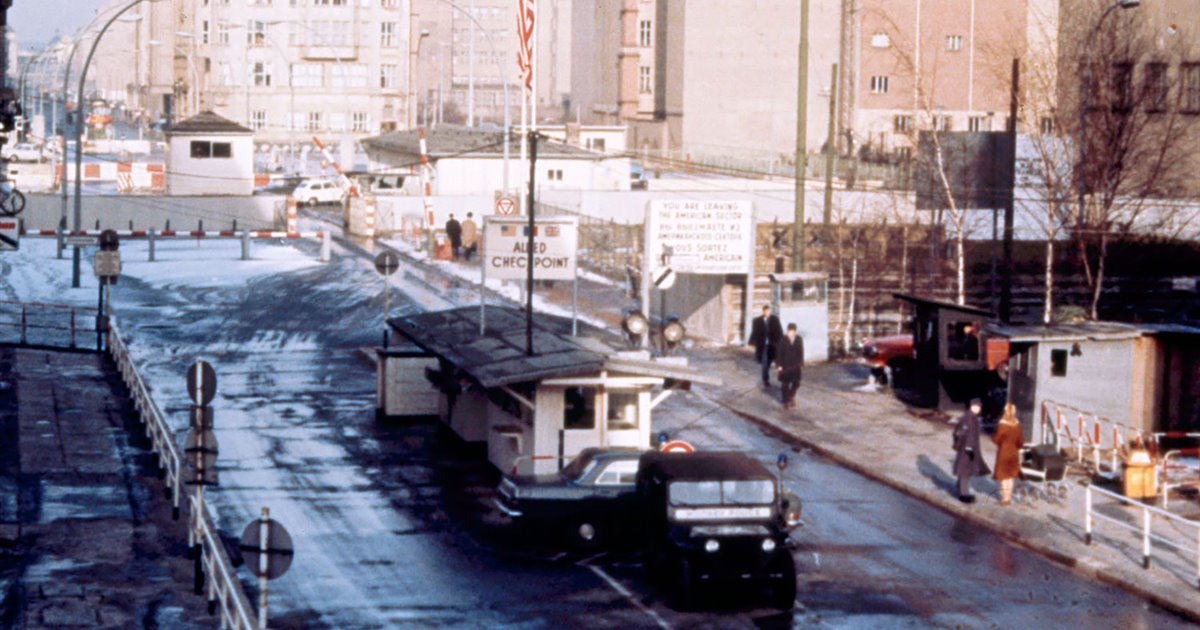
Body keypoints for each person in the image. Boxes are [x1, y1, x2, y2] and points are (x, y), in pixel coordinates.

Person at [952, 398, 989, 503]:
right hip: (968, 450)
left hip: (969, 449)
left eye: (979, 407)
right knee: (965, 471)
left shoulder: (972, 417)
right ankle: (964, 494)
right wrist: (968, 448)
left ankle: (960, 489)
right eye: (977, 406)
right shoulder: (968, 418)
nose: (979, 408)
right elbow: (964, 433)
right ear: (973, 406)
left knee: (965, 470)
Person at [992, 403, 1023, 505]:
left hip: (1004, 452)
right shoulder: (1017, 424)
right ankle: (1008, 497)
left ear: (1005, 411)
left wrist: (1000, 443)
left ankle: (1004, 499)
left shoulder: (1002, 424)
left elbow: (996, 439)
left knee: (1003, 476)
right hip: (1014, 453)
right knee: (1010, 476)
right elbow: (1020, 441)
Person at [748, 305, 783, 387]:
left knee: (770, 361)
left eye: (769, 311)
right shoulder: (757, 321)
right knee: (764, 363)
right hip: (762, 345)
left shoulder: (775, 320)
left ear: (770, 311)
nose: (767, 313)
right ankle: (766, 379)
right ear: (763, 312)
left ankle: (777, 376)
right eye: (766, 311)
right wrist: (751, 343)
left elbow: (779, 331)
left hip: (772, 345)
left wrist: (782, 342)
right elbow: (754, 332)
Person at [775, 324, 805, 409]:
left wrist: (801, 362)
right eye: (789, 331)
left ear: (795, 332)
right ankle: (785, 401)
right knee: (785, 384)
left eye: (792, 332)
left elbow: (801, 350)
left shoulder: (799, 339)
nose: (790, 333)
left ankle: (791, 395)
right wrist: (779, 365)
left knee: (796, 382)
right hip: (785, 365)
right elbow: (779, 353)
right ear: (787, 331)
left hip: (796, 365)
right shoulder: (782, 340)